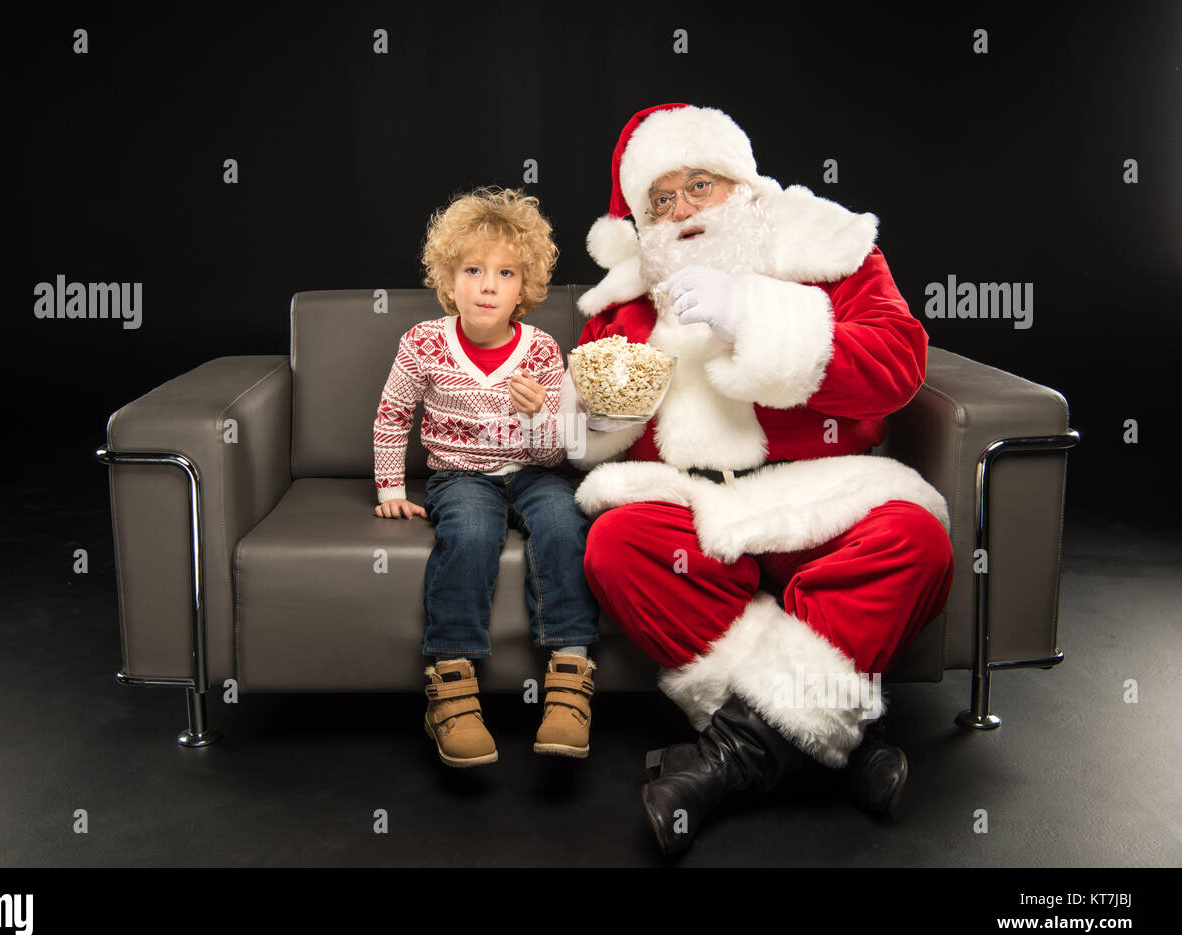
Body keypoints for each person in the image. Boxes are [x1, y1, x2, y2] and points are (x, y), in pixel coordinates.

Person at [562, 104, 956, 854]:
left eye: (700, 185)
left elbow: (900, 361)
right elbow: (587, 432)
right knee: (615, 545)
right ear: (641, 223)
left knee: (917, 540)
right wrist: (596, 417)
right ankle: (836, 745)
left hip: (825, 494)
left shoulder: (827, 246)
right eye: (661, 199)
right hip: (698, 509)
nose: (683, 210)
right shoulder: (621, 307)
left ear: (741, 184)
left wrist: (752, 314)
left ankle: (731, 758)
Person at [373, 186, 600, 768]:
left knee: (563, 524)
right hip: (460, 475)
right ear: (450, 282)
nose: (488, 285)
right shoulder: (422, 343)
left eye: (504, 273)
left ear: (524, 289)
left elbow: (559, 452)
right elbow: (393, 415)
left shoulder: (544, 351)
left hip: (534, 472)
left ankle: (569, 680)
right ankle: (452, 685)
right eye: (473, 270)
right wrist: (391, 489)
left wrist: (541, 415)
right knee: (471, 535)